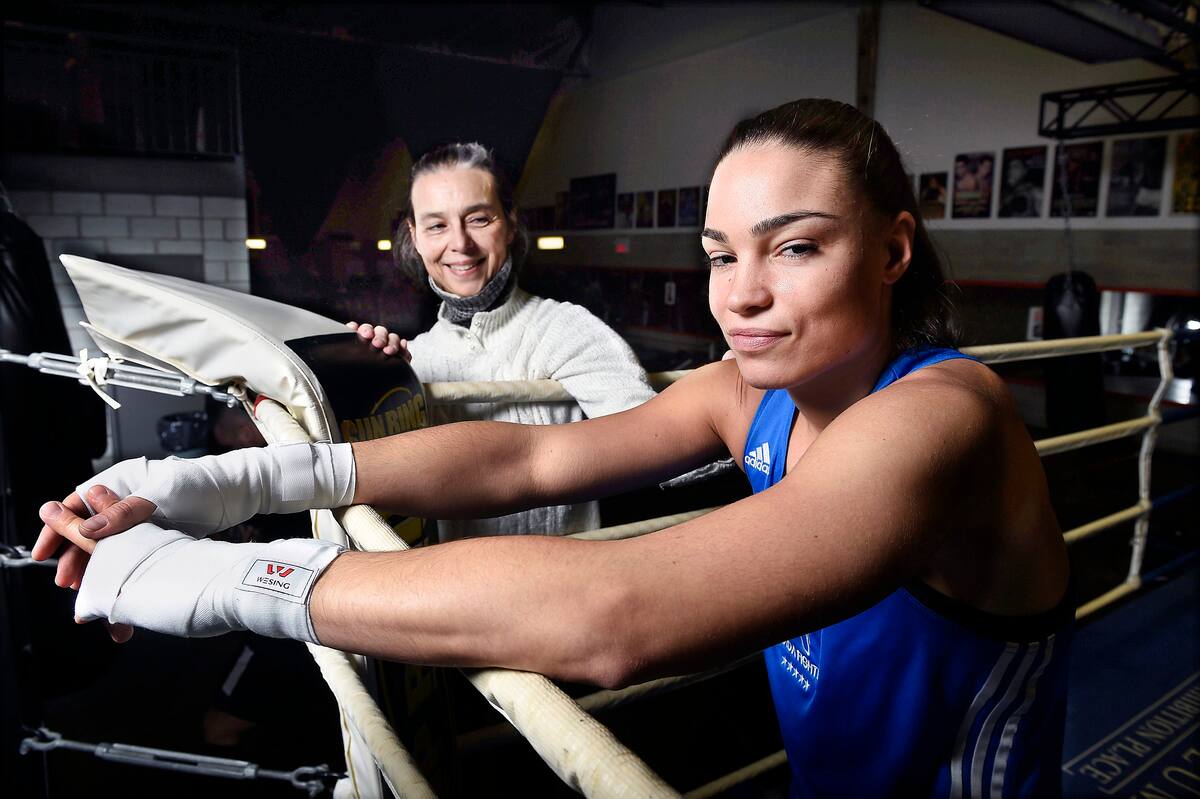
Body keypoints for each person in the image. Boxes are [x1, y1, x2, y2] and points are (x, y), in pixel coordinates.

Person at [35, 98, 1073, 798]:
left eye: (794, 246)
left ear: (892, 250)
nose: (741, 294)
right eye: (721, 255)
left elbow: (618, 614)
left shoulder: (950, 415)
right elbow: (522, 462)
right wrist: (226, 480)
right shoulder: (743, 394)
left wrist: (225, 579)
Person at [346, 141, 655, 541]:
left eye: (478, 219)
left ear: (509, 223)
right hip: (455, 594)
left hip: (565, 590)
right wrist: (371, 389)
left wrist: (735, 399)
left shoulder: (564, 329)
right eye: (437, 225)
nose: (460, 243)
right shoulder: (412, 359)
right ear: (415, 236)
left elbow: (663, 438)